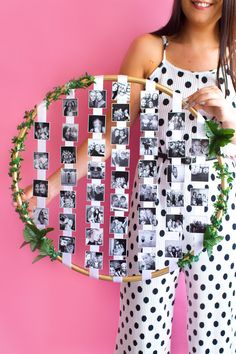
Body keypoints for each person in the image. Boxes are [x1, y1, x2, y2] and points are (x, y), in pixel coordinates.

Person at [21, 1, 236, 352]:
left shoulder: (234, 58)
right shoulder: (149, 49)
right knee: (141, 338)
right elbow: (108, 139)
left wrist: (229, 118)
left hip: (219, 217)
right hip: (152, 215)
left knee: (217, 338)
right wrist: (48, 188)